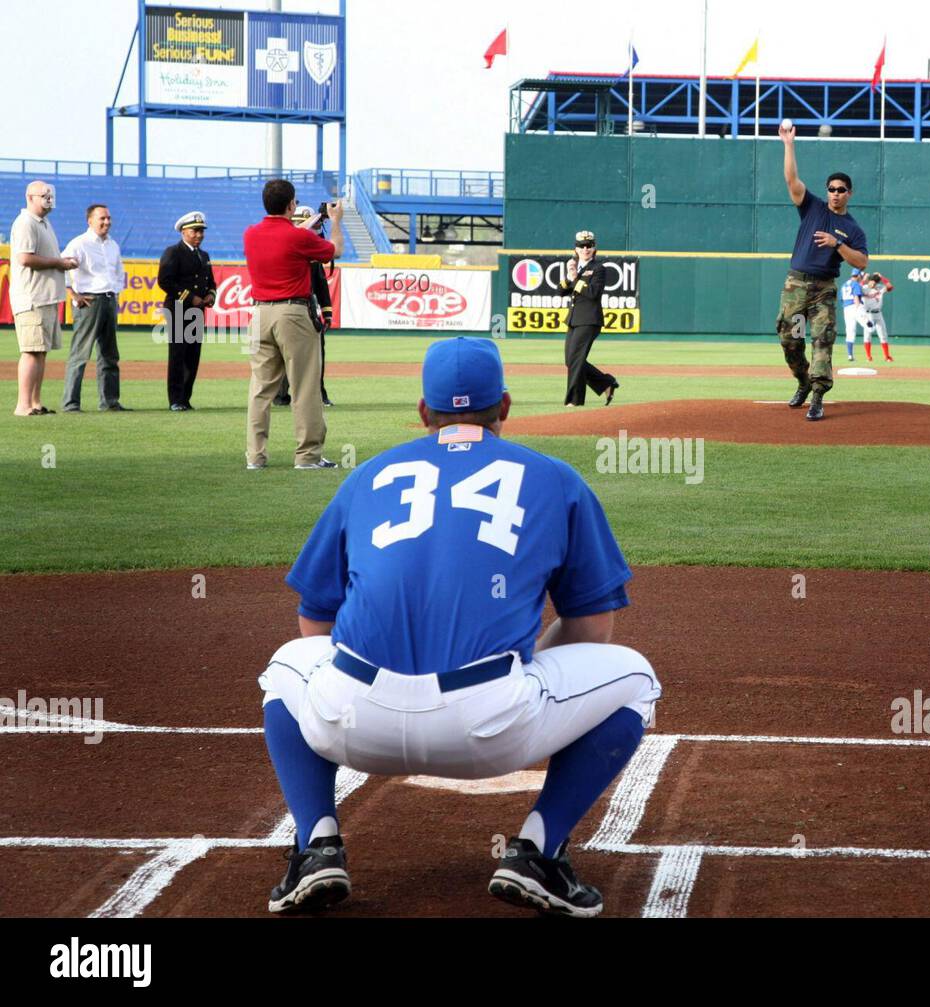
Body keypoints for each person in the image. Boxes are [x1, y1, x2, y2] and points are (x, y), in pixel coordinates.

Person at [256, 336, 661, 918]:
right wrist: (527, 664)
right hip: (489, 730)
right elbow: (594, 628)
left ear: (423, 412)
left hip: (353, 722)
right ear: (506, 405)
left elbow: (313, 623)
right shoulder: (554, 479)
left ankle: (316, 846)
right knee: (636, 677)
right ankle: (538, 853)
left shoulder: (368, 476)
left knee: (285, 666)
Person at [243, 180, 343, 469]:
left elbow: (286, 235)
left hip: (259, 314)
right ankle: (307, 456)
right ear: (291, 205)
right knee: (305, 386)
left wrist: (316, 218)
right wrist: (335, 221)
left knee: (260, 389)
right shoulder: (298, 238)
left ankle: (255, 457)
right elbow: (335, 250)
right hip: (292, 314)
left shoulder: (251, 234)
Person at [775, 122, 869, 421]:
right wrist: (788, 145)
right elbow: (792, 181)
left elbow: (861, 262)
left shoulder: (852, 228)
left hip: (823, 290)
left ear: (849, 193)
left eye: (841, 190)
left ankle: (817, 396)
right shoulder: (813, 207)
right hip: (796, 287)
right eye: (831, 189)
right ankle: (803, 381)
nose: (835, 193)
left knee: (822, 340)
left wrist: (837, 243)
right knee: (791, 339)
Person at [8, 181, 77, 416]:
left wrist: (62, 261)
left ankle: (35, 402)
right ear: (30, 197)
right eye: (44, 195)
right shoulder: (26, 223)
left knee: (41, 350)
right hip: (32, 298)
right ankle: (23, 405)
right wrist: (60, 263)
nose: (49, 199)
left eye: (51, 195)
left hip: (45, 298)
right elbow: (25, 258)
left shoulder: (44, 222)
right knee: (30, 350)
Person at [61, 204, 129, 412]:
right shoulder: (79, 243)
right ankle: (71, 403)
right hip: (89, 301)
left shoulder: (113, 245)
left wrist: (115, 291)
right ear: (89, 220)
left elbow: (118, 272)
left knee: (110, 355)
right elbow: (61, 265)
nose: (107, 222)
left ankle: (109, 402)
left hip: (108, 300)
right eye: (102, 218)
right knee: (80, 354)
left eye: (108, 218)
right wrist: (73, 294)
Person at [273, 204, 334, 408]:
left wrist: (327, 312)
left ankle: (319, 393)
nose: (314, 231)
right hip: (288, 306)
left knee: (317, 353)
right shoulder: (287, 248)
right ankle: (281, 395)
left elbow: (321, 284)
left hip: (310, 308)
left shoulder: (312, 253)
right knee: (286, 353)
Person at [157, 211, 216, 411]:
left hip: (197, 312)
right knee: (178, 355)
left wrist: (211, 296)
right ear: (183, 231)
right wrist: (191, 298)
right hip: (178, 310)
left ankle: (185, 398)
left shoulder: (204, 255)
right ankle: (175, 400)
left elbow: (211, 283)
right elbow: (165, 281)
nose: (199, 235)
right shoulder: (173, 252)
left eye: (201, 231)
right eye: (195, 231)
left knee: (193, 356)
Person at [559, 229, 618, 407]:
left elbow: (593, 293)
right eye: (581, 246)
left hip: (590, 320)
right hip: (574, 320)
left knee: (575, 360)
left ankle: (574, 400)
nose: (585, 249)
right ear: (575, 249)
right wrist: (569, 277)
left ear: (594, 248)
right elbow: (561, 292)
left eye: (589, 245)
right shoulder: (576, 268)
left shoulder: (599, 268)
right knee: (571, 361)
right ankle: (606, 383)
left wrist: (576, 279)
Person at [860, 272, 895, 363]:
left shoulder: (880, 287)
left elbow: (890, 287)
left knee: (883, 335)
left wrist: (882, 277)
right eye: (872, 282)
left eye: (876, 282)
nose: (874, 284)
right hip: (868, 314)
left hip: (878, 314)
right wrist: (864, 280)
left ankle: (887, 356)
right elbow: (856, 290)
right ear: (870, 281)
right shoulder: (864, 288)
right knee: (867, 336)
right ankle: (868, 357)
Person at [840, 267, 865, 363]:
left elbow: (841, 299)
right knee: (868, 326)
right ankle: (870, 324)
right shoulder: (856, 284)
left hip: (846, 309)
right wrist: (858, 308)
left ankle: (850, 355)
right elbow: (856, 297)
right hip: (854, 306)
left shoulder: (844, 285)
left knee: (850, 332)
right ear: (858, 276)